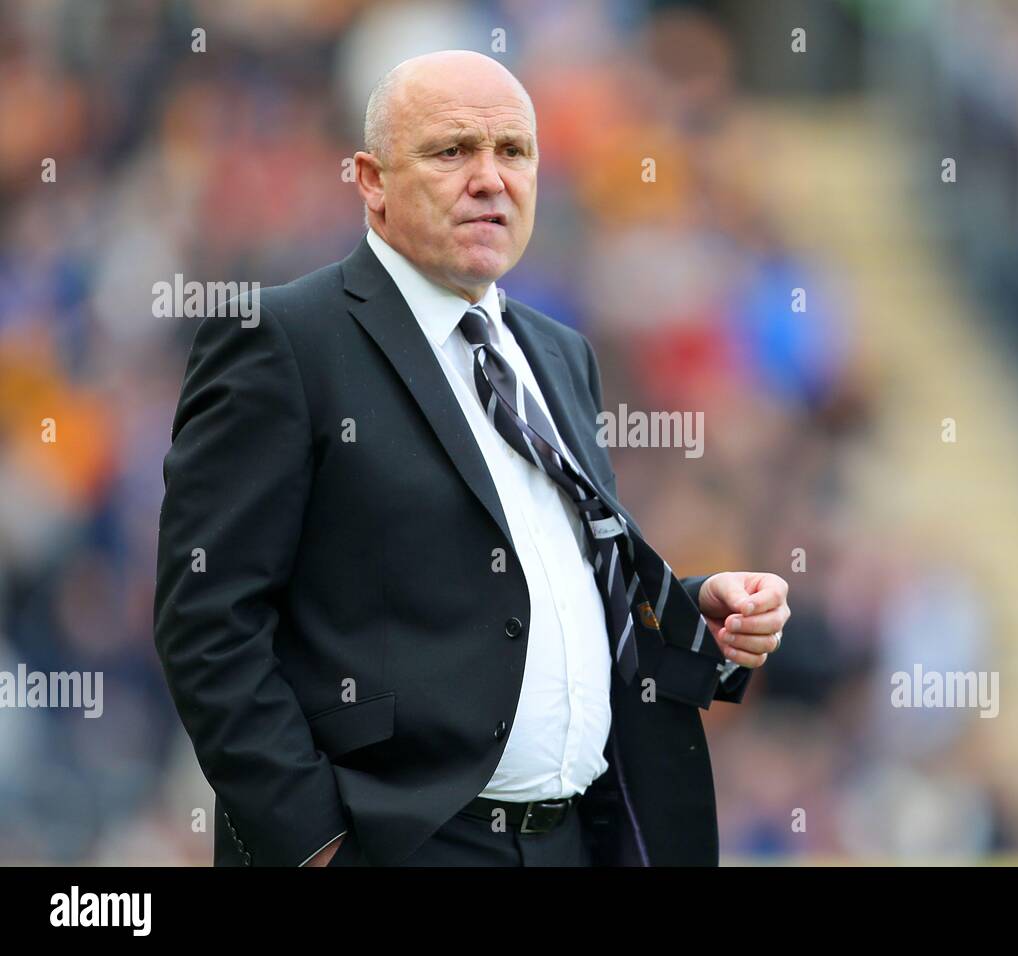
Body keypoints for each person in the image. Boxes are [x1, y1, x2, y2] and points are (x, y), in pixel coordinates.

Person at [153, 50, 790, 867]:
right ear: (371, 180)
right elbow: (207, 622)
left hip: (568, 841)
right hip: (398, 844)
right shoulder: (282, 339)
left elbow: (539, 579)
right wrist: (314, 843)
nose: (490, 179)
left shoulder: (559, 353)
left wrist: (688, 607)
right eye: (452, 151)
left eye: (514, 152)